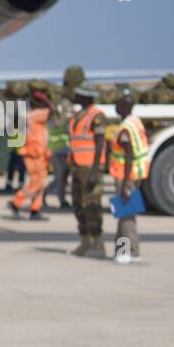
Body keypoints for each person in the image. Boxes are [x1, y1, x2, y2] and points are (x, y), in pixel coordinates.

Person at [66, 82, 108, 258]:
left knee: (92, 206)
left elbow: (100, 143)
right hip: (77, 167)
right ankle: (85, 241)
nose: (76, 96)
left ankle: (98, 244)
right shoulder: (77, 116)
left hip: (90, 167)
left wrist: (94, 171)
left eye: (79, 94)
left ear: (86, 96)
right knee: (78, 205)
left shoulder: (97, 116)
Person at [108, 92, 150, 262]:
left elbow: (129, 156)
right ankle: (121, 250)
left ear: (125, 106)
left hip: (126, 175)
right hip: (136, 173)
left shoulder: (125, 128)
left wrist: (125, 183)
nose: (115, 106)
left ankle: (131, 251)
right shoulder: (135, 121)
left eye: (118, 103)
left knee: (126, 215)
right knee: (123, 213)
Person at [8, 91, 52, 221]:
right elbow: (52, 112)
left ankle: (35, 209)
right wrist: (46, 100)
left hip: (38, 153)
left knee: (40, 183)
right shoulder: (36, 115)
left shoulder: (30, 116)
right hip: (34, 153)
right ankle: (17, 202)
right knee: (36, 183)